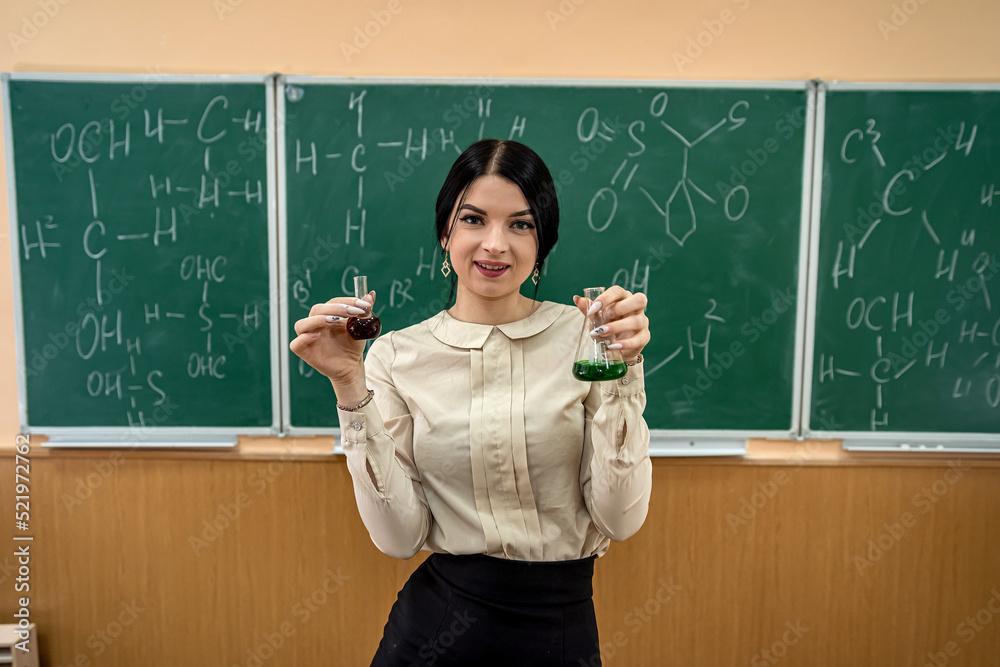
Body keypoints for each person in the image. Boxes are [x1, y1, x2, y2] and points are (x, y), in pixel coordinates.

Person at [290, 139, 652, 666]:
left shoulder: (591, 337)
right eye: (474, 220)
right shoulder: (395, 355)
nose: (495, 244)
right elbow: (398, 538)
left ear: (542, 240)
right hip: (434, 635)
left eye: (521, 224)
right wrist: (349, 384)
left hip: (561, 631)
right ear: (446, 233)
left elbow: (620, 520)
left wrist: (625, 370)